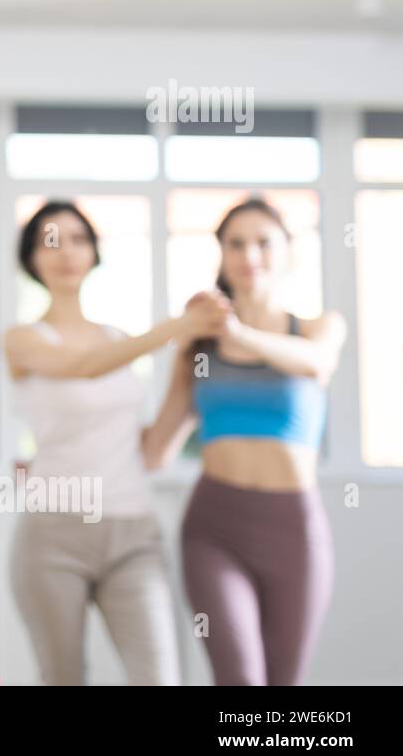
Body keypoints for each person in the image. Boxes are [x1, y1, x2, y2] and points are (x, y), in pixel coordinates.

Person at [3, 199, 229, 685]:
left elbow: (150, 451)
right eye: (51, 240)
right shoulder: (24, 340)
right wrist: (177, 328)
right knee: (64, 677)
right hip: (53, 534)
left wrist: (191, 354)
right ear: (31, 259)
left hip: (132, 532)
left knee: (160, 678)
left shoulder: (118, 338)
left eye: (79, 239)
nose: (66, 251)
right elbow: (84, 367)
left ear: (94, 253)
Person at [143, 197, 345, 685]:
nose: (249, 254)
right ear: (222, 255)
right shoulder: (200, 348)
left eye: (263, 242)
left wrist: (237, 332)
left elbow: (315, 363)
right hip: (215, 529)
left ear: (288, 253)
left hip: (295, 531)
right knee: (241, 681)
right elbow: (155, 452)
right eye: (236, 243)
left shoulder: (319, 327)